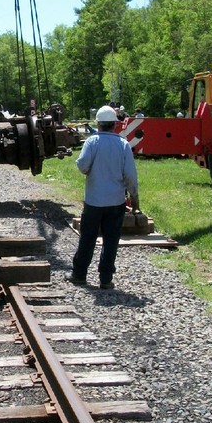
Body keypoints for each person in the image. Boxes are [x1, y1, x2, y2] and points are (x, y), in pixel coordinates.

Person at [67, 105, 140, 290]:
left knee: (88, 238)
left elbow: (83, 166)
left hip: (94, 201)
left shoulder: (92, 142)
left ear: (98, 124)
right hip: (116, 201)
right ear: (115, 125)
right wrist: (134, 197)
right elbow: (130, 175)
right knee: (111, 240)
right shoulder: (123, 144)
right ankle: (105, 279)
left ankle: (79, 275)